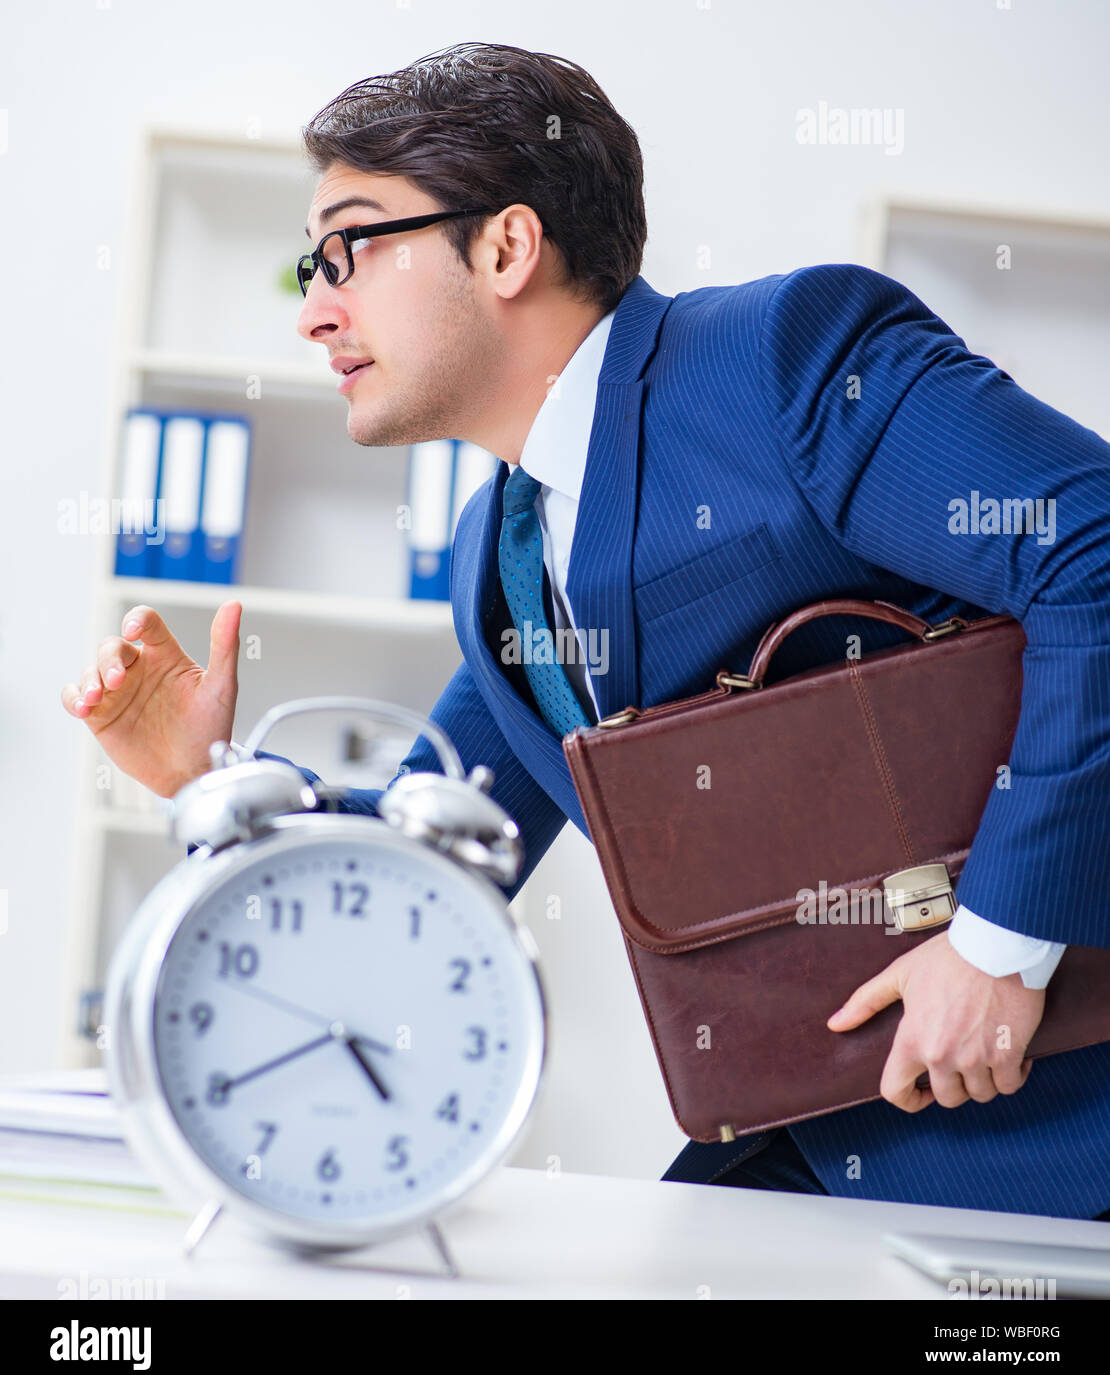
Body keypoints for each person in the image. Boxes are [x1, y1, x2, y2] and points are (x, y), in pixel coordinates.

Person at [62, 41, 1110, 1221]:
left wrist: (1001, 946)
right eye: (312, 266)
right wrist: (209, 778)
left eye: (349, 249)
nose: (314, 312)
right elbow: (433, 863)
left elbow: (1094, 550)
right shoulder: (497, 553)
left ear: (507, 247)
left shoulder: (780, 361)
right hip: (821, 1122)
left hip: (1061, 1114)